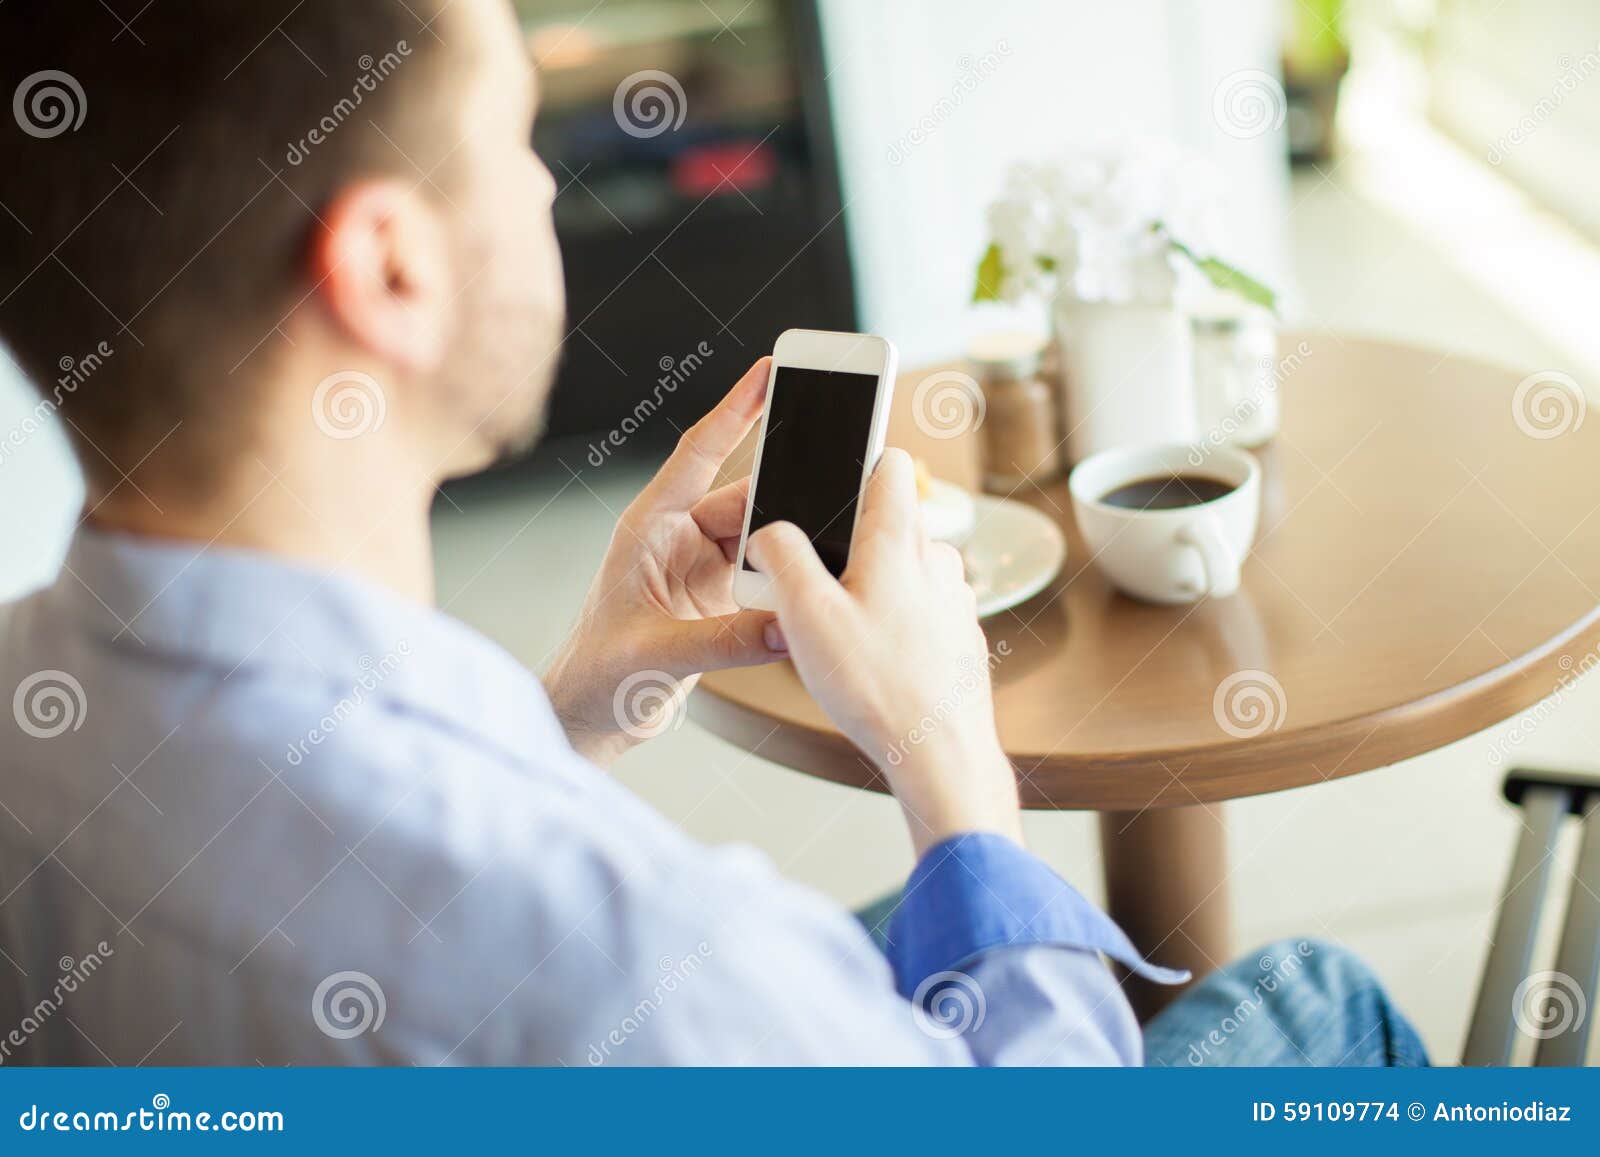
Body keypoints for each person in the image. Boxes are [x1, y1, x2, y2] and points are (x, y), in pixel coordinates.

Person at [0, 0, 1426, 1066]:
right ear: (388, 267)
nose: (550, 183)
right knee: (1311, 1002)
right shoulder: (648, 963)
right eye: (514, 135)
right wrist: (950, 763)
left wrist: (568, 711)